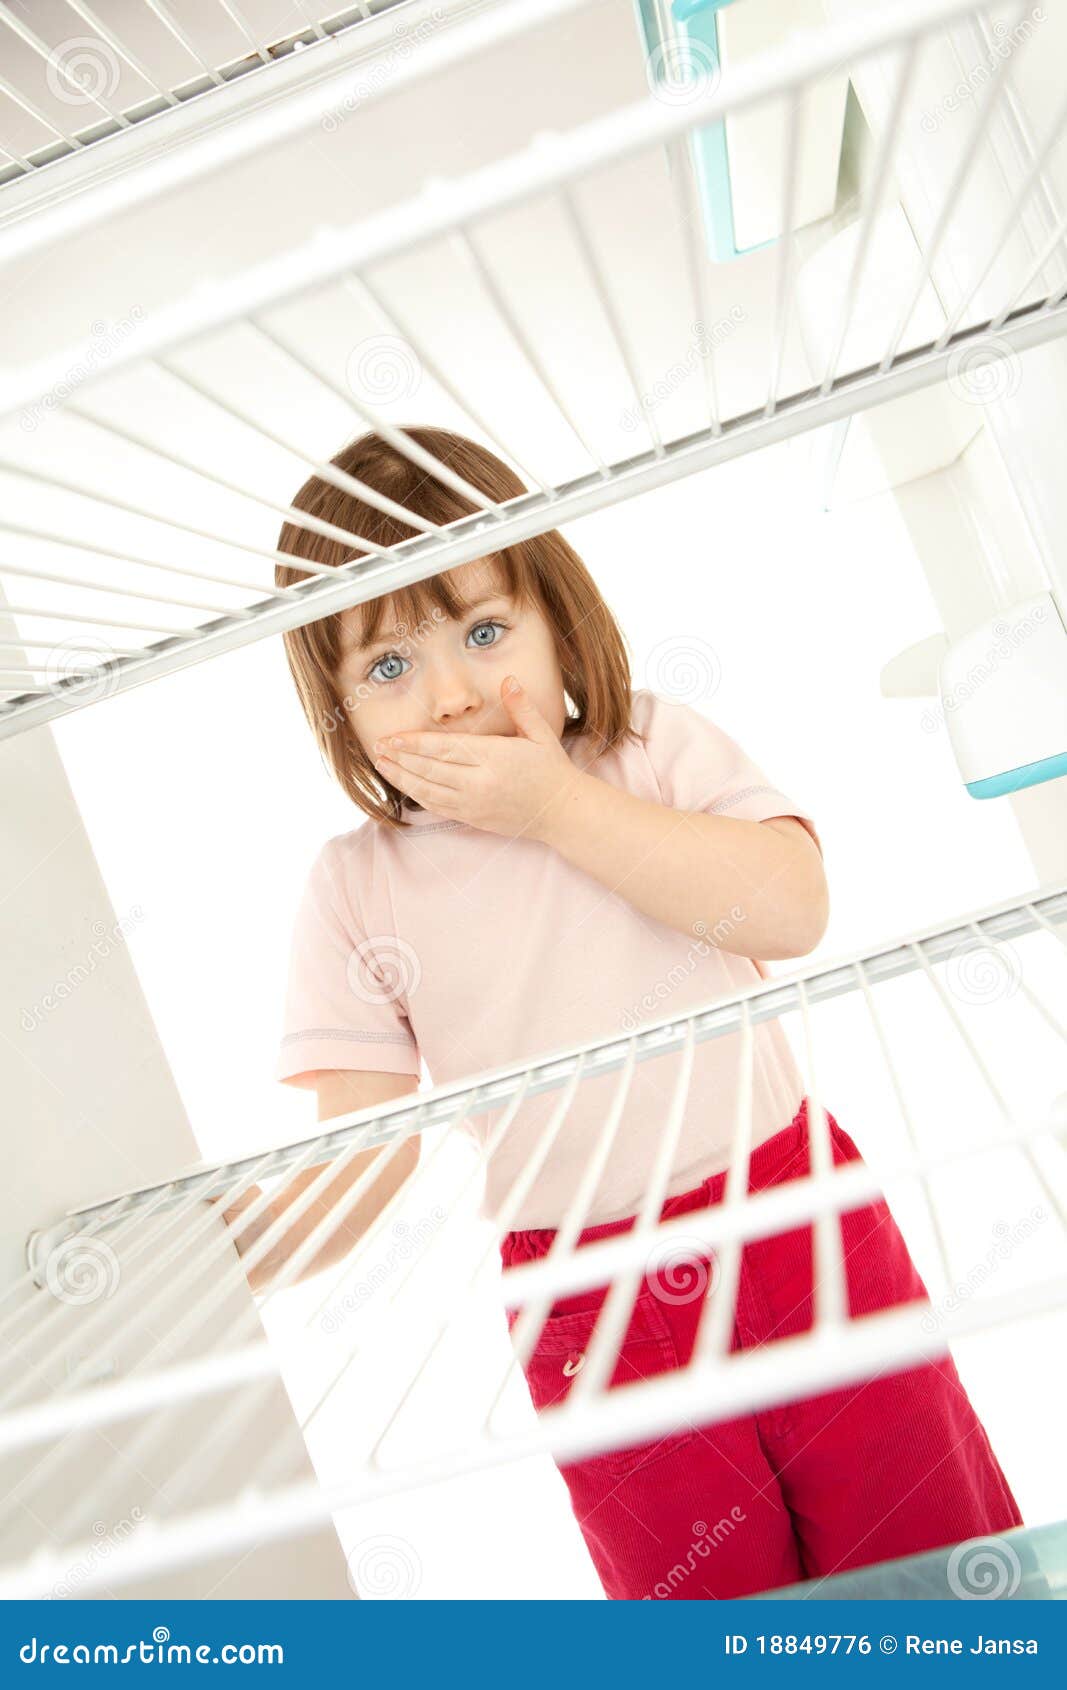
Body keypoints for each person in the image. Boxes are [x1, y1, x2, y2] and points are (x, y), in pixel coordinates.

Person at [249, 423, 1023, 1599]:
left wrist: (556, 805)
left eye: (483, 629)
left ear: (558, 615)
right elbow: (362, 1147)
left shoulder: (646, 748)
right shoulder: (355, 887)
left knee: (923, 1549)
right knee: (696, 1604)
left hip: (795, 1210)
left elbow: (789, 905)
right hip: (586, 1297)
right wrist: (239, 1251)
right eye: (388, 667)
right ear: (339, 711)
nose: (452, 693)